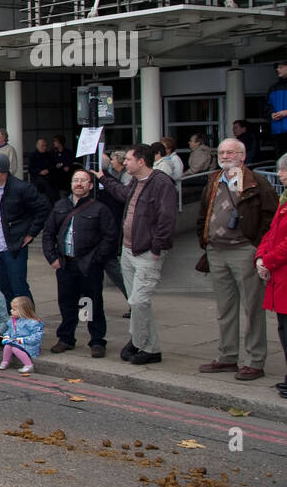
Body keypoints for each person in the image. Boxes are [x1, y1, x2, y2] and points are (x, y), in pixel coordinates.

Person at [195, 138, 277, 381]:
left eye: (231, 152)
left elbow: (270, 218)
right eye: (222, 152)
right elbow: (202, 214)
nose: (226, 155)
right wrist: (205, 240)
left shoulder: (257, 182)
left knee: (253, 309)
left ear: (242, 156)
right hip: (216, 252)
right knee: (225, 309)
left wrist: (257, 248)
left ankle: (254, 361)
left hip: (244, 251)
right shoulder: (213, 180)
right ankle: (227, 356)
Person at [92, 143, 177, 365]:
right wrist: (102, 178)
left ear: (141, 161)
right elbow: (121, 193)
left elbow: (167, 219)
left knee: (139, 301)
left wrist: (157, 246)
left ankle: (144, 345)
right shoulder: (135, 182)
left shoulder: (161, 183)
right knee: (136, 301)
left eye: (128, 159)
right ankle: (144, 344)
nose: (124, 162)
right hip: (128, 250)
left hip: (147, 252)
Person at [43, 168, 117, 358]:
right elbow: (48, 234)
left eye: (83, 181)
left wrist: (96, 259)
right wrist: (52, 258)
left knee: (91, 303)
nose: (78, 183)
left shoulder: (99, 208)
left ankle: (97, 340)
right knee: (66, 302)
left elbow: (110, 236)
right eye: (75, 180)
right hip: (65, 264)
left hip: (88, 265)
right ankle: (66, 338)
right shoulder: (60, 205)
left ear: (90, 185)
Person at [0, 152, 49, 304]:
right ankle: (12, 322)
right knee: (2, 286)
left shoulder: (21, 188)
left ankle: (29, 323)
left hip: (13, 246)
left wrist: (31, 233)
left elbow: (42, 209)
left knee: (19, 287)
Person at [254, 152, 287, 399]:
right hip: (279, 274)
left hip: (282, 273)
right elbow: (271, 232)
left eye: (283, 170)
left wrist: (269, 260)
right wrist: (261, 257)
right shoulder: (284, 200)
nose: (279, 174)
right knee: (284, 329)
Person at [0, 297, 44, 374]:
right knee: (7, 346)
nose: (11, 311)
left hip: (30, 345)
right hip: (17, 342)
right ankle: (5, 361)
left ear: (22, 311)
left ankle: (29, 365)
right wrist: (6, 336)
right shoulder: (12, 321)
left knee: (15, 349)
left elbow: (37, 337)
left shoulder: (33, 322)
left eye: (14, 309)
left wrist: (23, 340)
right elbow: (9, 331)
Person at [265, 60, 287, 160]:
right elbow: (266, 107)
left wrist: (286, 112)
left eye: (281, 67)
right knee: (281, 160)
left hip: (280, 128)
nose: (278, 69)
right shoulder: (272, 88)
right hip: (277, 130)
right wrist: (271, 114)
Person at [27, 138, 58, 206]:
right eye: (42, 146)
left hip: (49, 177)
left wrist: (48, 170)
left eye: (45, 146)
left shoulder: (49, 155)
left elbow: (53, 166)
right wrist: (39, 172)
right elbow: (30, 168)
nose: (44, 147)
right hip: (37, 178)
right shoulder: (33, 156)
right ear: (37, 146)